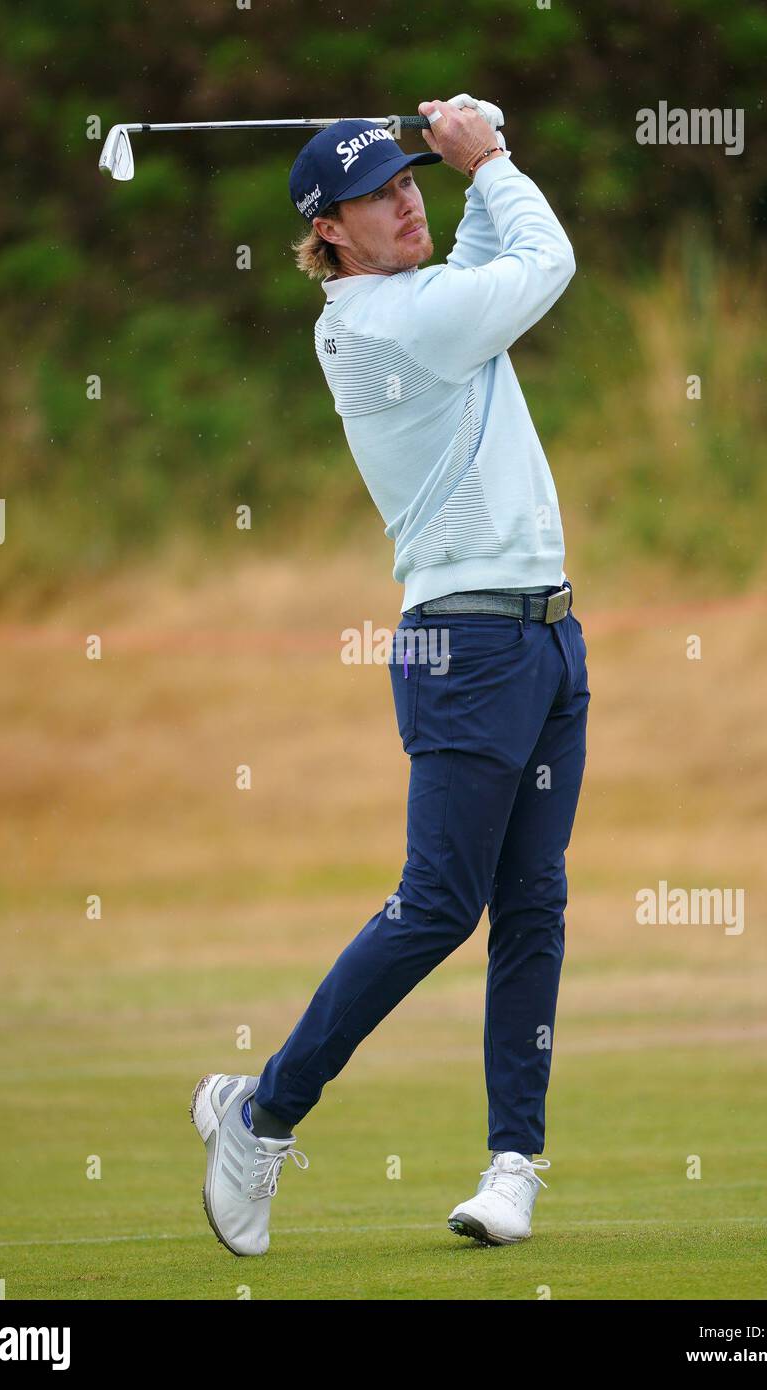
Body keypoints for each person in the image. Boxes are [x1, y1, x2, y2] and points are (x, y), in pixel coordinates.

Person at [191, 95, 589, 1256]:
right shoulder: (380, 326)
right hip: (463, 647)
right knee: (436, 906)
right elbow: (541, 260)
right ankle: (263, 1116)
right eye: (380, 196)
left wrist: (470, 172)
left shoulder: (418, 300)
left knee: (532, 905)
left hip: (549, 635)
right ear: (332, 235)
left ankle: (512, 1165)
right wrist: (494, 155)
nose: (408, 201)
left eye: (414, 180)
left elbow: (475, 261)